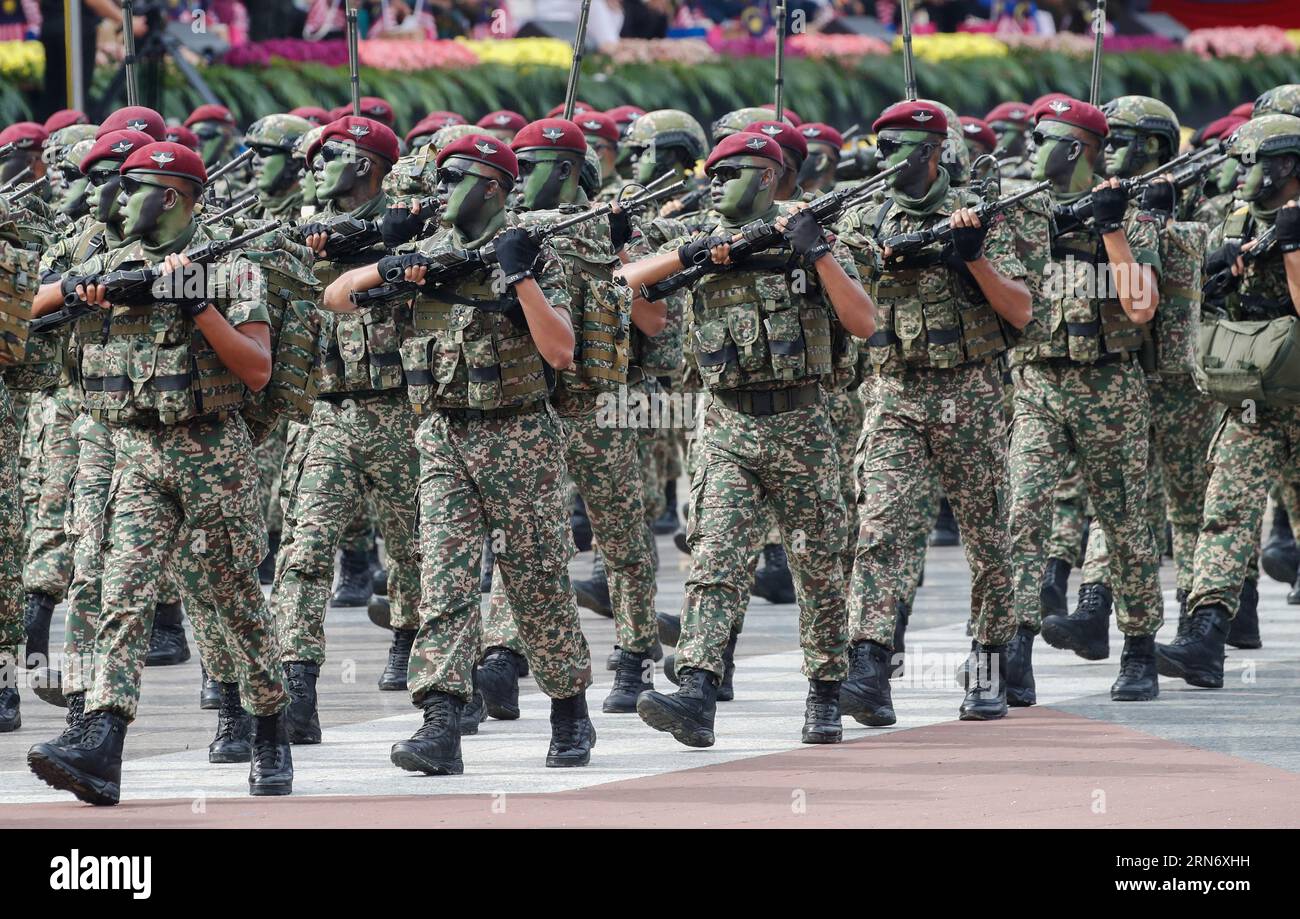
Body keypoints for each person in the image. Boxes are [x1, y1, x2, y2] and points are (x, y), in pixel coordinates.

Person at [26, 141, 293, 803]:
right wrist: (79, 296)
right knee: (123, 590)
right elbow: (32, 309)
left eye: (132, 185)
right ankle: (104, 742)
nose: (117, 197)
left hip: (212, 455)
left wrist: (198, 306)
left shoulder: (229, 268)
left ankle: (269, 723)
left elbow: (257, 369)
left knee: (234, 596)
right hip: (137, 452)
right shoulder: (113, 262)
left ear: (170, 196)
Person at [323, 131, 597, 773]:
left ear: (496, 188)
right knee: (443, 581)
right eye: (440, 180)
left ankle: (569, 711)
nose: (441, 192)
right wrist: (387, 265)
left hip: (518, 436)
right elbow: (335, 299)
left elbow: (561, 351)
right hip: (442, 436)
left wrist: (520, 276)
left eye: (457, 181)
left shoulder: (536, 252)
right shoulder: (428, 253)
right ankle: (442, 721)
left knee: (536, 584)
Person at [620, 129, 875, 748]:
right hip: (727, 422)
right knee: (715, 560)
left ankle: (823, 692)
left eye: (731, 171)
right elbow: (625, 282)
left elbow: (863, 320)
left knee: (818, 564)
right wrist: (699, 254)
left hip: (802, 422)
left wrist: (816, 253)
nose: (715, 180)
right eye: (713, 169)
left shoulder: (808, 226)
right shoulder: (697, 234)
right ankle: (698, 691)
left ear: (767, 175)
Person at [835, 100, 1038, 723]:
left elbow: (1023, 311)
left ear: (929, 152)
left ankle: (990, 662)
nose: (880, 158)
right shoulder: (864, 215)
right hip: (895, 391)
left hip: (971, 392)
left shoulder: (986, 216)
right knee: (880, 527)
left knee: (988, 534)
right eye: (879, 145)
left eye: (894, 146)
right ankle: (868, 663)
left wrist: (970, 256)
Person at [1006, 96, 1165, 703]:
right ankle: (1012, 650)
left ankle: (1140, 648)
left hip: (1108, 386)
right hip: (1038, 384)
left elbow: (1142, 307)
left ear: (1074, 148)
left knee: (1125, 521)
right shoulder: (1020, 214)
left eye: (1041, 136)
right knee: (1022, 515)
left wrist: (1110, 226)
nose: (1029, 146)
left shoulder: (1131, 216)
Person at [1159, 114, 1300, 689]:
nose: (1242, 174)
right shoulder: (1235, 221)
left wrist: (1291, 245)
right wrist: (1214, 274)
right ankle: (1205, 636)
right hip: (1257, 398)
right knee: (1226, 512)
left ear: (1287, 167)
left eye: (1253, 162)